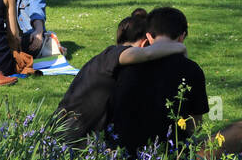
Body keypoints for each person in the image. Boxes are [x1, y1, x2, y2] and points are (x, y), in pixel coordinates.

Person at [106, 6, 242, 160]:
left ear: (149, 37)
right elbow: (194, 126)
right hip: (173, 158)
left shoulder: (126, 66)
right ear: (182, 37)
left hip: (123, 155)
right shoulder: (190, 69)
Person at [52, 8, 188, 145]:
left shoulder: (107, 60)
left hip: (75, 132)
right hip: (69, 135)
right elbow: (146, 54)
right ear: (144, 43)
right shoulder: (113, 54)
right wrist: (179, 48)